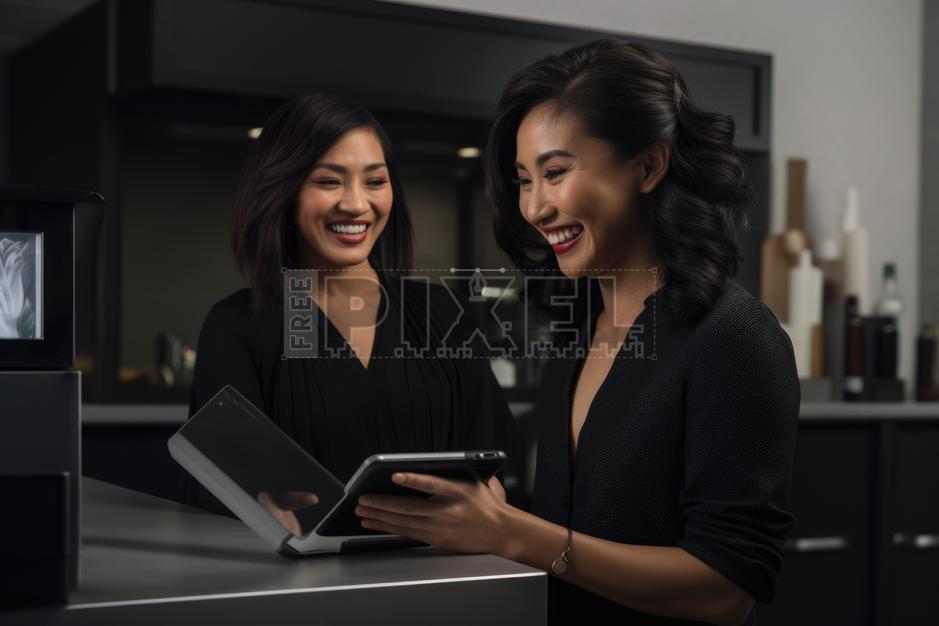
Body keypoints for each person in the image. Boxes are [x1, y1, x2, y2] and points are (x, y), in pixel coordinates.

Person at [355, 39, 799, 625]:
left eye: (556, 172)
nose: (535, 208)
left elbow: (725, 588)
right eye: (523, 180)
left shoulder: (734, 335)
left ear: (648, 165)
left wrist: (514, 533)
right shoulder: (578, 329)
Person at [182, 94, 522, 525]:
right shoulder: (239, 326)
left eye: (375, 181)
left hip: (437, 573)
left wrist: (489, 495)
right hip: (305, 583)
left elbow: (492, 459)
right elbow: (216, 479)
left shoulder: (441, 311)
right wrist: (253, 500)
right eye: (328, 181)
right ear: (282, 188)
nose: (356, 204)